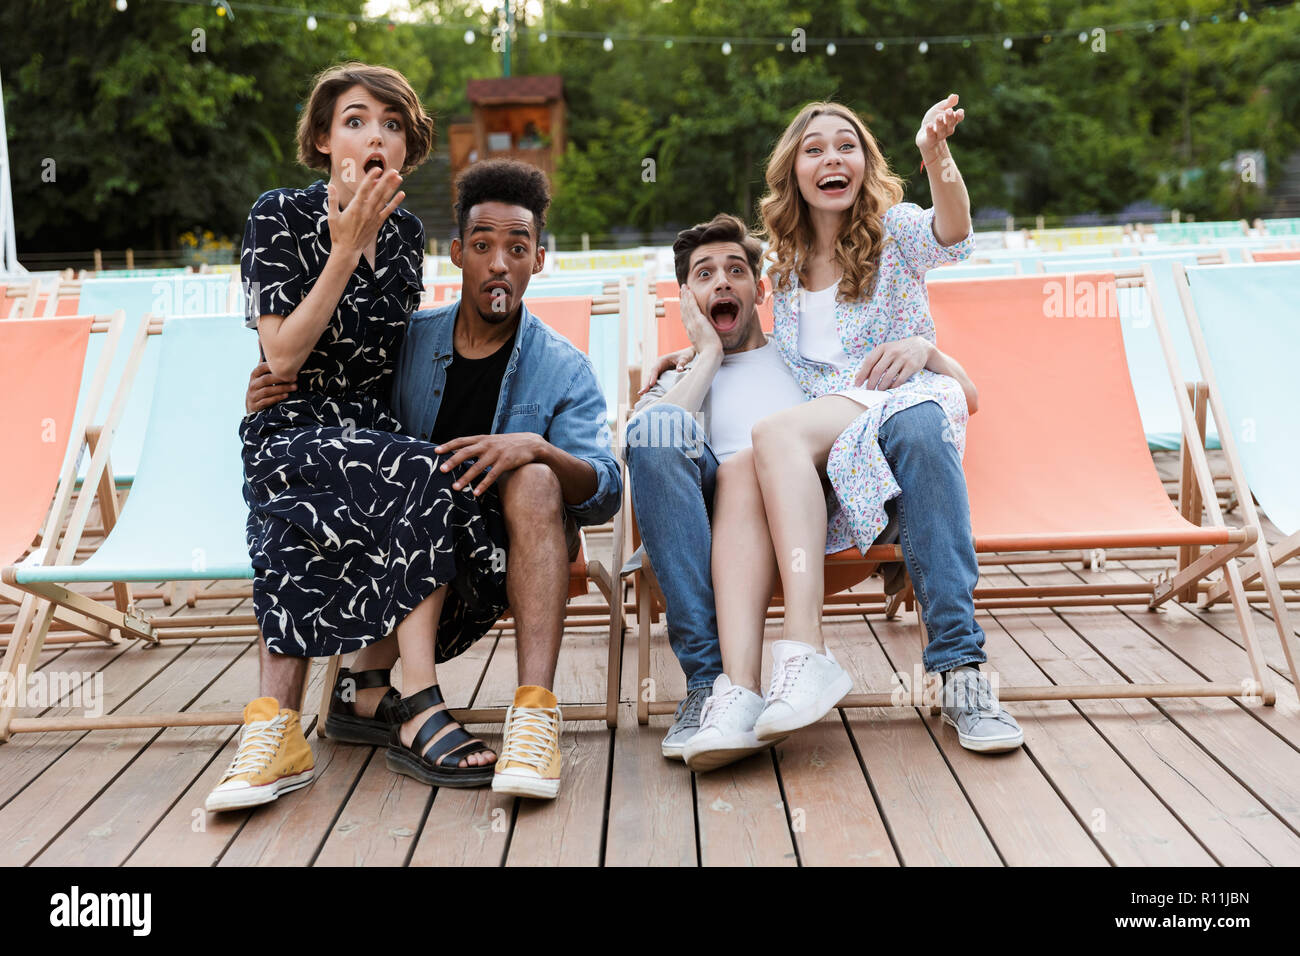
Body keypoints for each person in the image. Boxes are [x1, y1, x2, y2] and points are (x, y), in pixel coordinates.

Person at [206, 63, 616, 811]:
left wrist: (537, 457)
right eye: (357, 120)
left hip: (370, 436)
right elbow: (286, 356)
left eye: (392, 125)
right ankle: (398, 707)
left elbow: (384, 355)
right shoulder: (279, 217)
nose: (376, 136)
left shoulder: (400, 238)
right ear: (326, 138)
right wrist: (340, 249)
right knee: (344, 493)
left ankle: (349, 703)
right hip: (293, 426)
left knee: (402, 469)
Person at [677, 97, 1024, 768]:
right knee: (754, 457)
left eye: (847, 146)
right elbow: (756, 346)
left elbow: (952, 229)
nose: (832, 158)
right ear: (794, 171)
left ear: (865, 163)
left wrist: (935, 153)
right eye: (814, 149)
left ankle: (942, 670)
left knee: (894, 427)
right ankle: (739, 691)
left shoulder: (894, 231)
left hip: (898, 407)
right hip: (840, 448)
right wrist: (693, 359)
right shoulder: (780, 265)